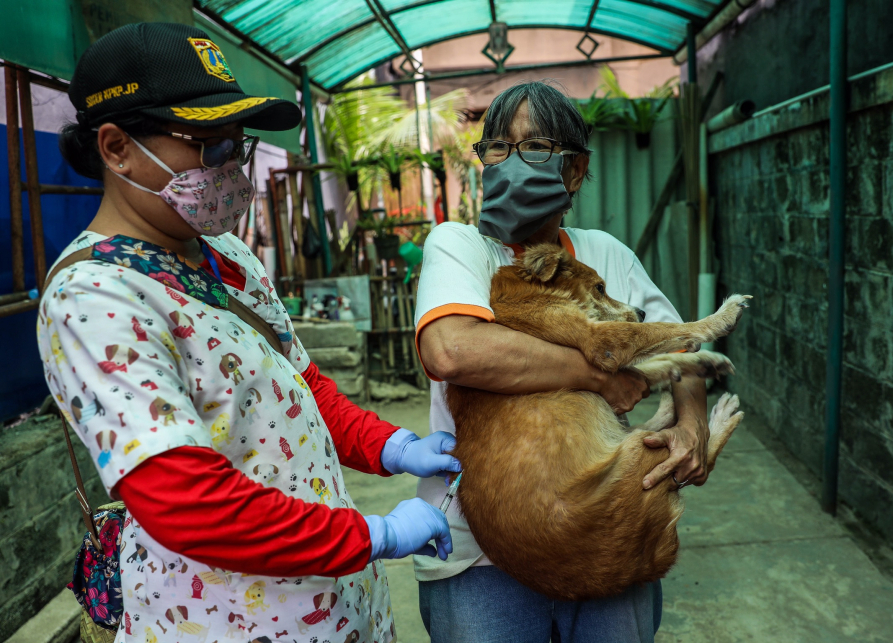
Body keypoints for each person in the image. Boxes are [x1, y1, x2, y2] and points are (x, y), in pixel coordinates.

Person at [38, 22, 458, 643]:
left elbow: (299, 385)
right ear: (116, 147)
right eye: (210, 147)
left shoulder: (225, 254)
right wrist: (376, 534)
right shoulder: (93, 299)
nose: (231, 170)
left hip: (339, 605)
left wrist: (391, 446)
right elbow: (188, 502)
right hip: (225, 620)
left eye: (239, 147)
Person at [413, 81, 711, 643]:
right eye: (497, 148)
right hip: (477, 551)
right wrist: (602, 375)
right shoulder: (459, 246)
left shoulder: (606, 254)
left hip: (595, 521)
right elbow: (453, 349)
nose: (510, 162)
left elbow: (683, 353)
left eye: (535, 147)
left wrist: (693, 427)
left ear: (575, 171)